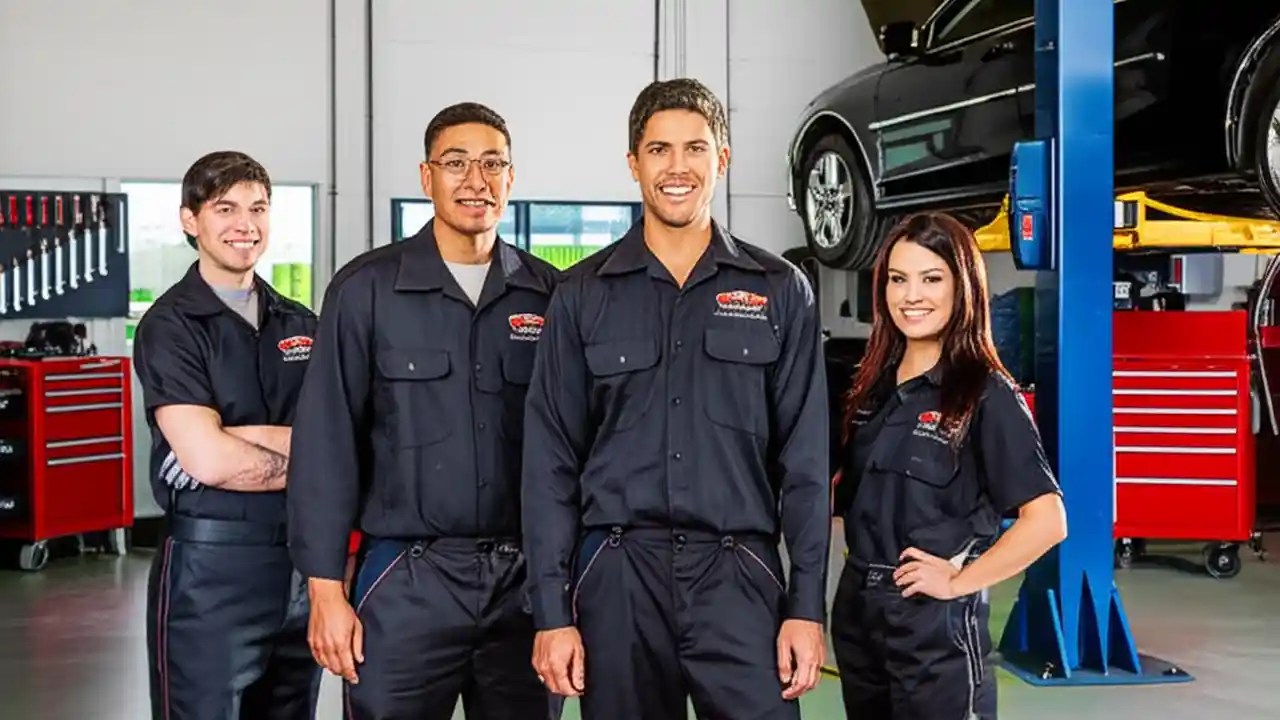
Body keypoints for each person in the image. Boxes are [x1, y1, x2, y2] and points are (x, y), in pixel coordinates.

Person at [522, 77, 830, 719]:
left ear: (722, 159)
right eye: (659, 150)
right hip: (617, 576)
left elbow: (803, 466)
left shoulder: (780, 290)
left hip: (739, 576)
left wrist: (805, 605)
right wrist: (553, 610)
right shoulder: (582, 296)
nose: (677, 167)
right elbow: (550, 465)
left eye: (695, 148)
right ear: (634, 163)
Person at [286, 102, 563, 720]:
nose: (475, 179)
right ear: (425, 176)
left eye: (492, 163)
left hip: (525, 583)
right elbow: (326, 443)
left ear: (511, 178)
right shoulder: (367, 290)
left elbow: (574, 445)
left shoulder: (549, 295)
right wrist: (325, 591)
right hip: (407, 578)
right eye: (456, 162)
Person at [829, 212, 1068, 719]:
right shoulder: (871, 389)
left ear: (963, 287)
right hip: (858, 616)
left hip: (933, 626)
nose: (911, 295)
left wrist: (961, 582)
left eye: (931, 278)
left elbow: (1047, 521)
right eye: (898, 279)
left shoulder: (983, 393)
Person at [132, 150, 321, 719]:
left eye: (258, 208)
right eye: (226, 208)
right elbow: (209, 459)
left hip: (299, 570)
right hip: (206, 576)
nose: (246, 224)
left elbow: (342, 433)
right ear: (191, 220)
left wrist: (236, 437)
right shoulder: (170, 325)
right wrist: (314, 457)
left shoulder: (301, 323)